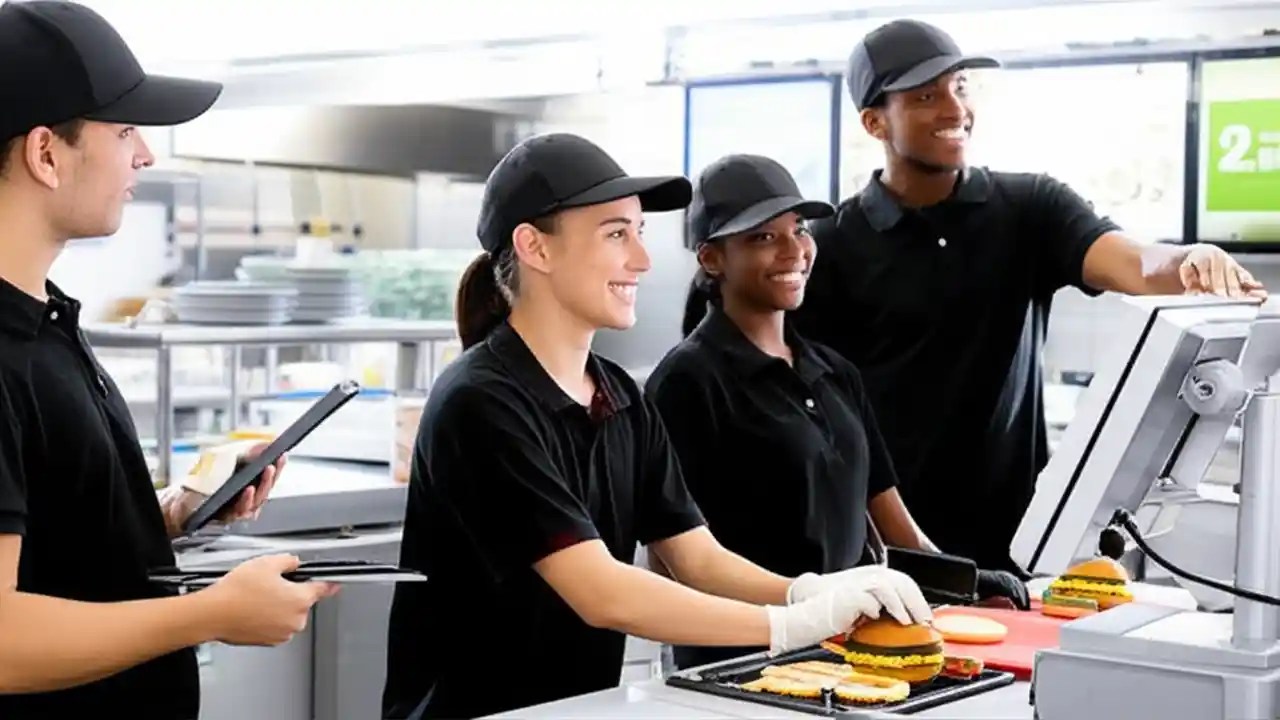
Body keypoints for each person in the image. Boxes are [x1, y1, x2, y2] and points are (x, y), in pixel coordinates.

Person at [381, 133, 932, 719]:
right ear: (535, 247)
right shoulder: (482, 402)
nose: (641, 260)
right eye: (616, 234)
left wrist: (806, 589)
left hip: (576, 709)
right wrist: (790, 624)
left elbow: (698, 558)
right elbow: (601, 592)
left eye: (639, 233)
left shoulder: (618, 395)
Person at [777, 19, 1268, 575]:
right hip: (890, 553)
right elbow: (826, 423)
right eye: (924, 96)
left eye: (960, 87)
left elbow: (1134, 263)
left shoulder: (1030, 208)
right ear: (873, 122)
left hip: (1021, 543)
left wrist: (1185, 261)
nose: (954, 109)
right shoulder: (833, 247)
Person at [0, 2, 338, 718]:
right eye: (124, 131)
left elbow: (54, 547)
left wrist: (175, 515)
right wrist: (209, 613)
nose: (146, 155)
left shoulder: (47, 321)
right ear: (45, 154)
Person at [653, 154, 1027, 671]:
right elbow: (677, 560)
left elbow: (894, 527)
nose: (794, 251)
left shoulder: (835, 374)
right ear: (712, 259)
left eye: (799, 230)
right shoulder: (687, 382)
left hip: (855, 656)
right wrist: (806, 602)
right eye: (763, 237)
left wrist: (966, 580)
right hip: (743, 662)